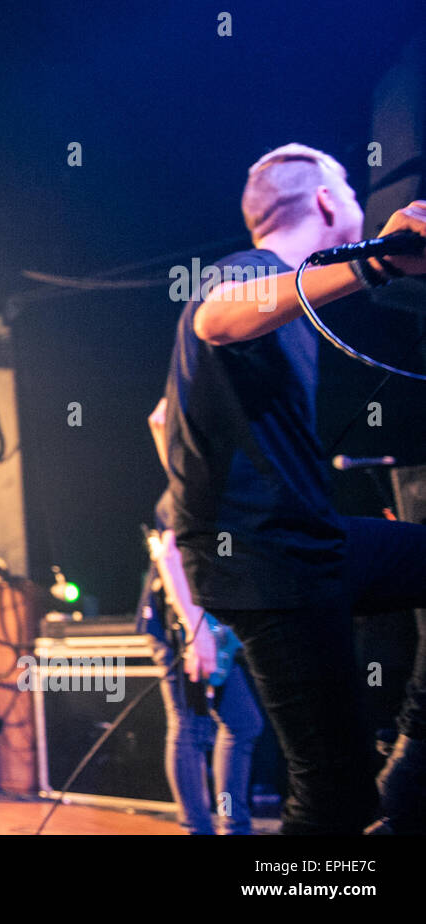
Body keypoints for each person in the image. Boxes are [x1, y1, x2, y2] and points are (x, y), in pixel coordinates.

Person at [160, 142, 426, 834]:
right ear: (329, 201)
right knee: (333, 793)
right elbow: (218, 318)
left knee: (345, 791)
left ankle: (415, 755)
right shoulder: (254, 272)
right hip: (270, 565)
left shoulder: (288, 295)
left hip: (311, 545)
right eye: (348, 185)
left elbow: (163, 419)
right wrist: (378, 260)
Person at [141, 398, 263, 835]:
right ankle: (199, 827)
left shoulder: (214, 481)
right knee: (191, 726)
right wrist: (198, 635)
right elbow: (170, 556)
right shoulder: (184, 487)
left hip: (208, 622)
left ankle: (233, 825)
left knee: (242, 723)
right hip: (179, 622)